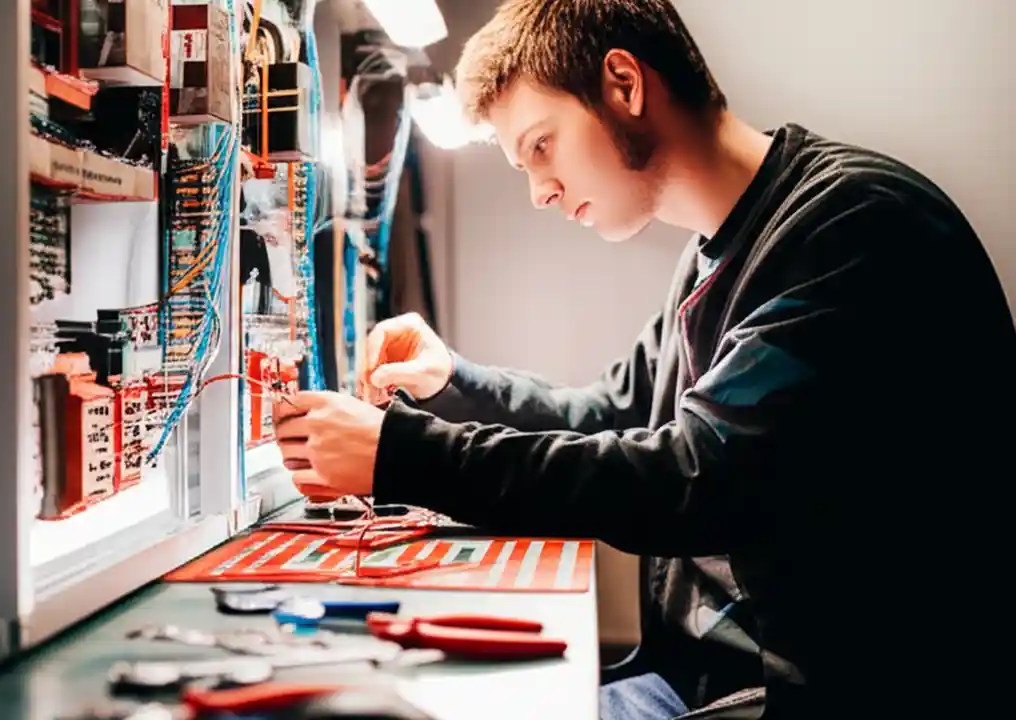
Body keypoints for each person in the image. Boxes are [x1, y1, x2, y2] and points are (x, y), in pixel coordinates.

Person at [271, 0, 1016, 717]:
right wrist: (453, 383)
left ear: (625, 85)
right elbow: (610, 413)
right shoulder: (712, 257)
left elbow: (689, 477)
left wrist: (402, 454)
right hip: (698, 679)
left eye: (541, 146)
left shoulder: (855, 230)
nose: (539, 191)